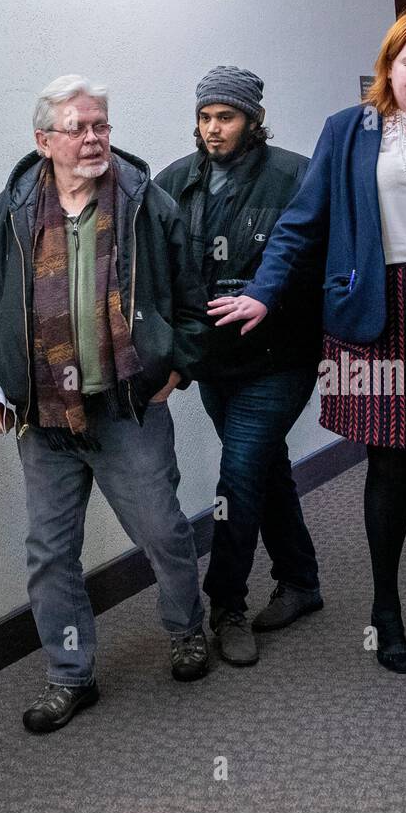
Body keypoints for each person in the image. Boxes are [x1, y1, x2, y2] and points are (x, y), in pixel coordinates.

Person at [209, 9, 406, 674]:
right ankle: (386, 611)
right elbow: (301, 225)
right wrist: (265, 291)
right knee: (388, 470)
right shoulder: (349, 131)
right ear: (389, 68)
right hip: (375, 317)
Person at [0, 75, 210, 733]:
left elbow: (192, 298)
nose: (95, 138)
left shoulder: (145, 205)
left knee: (161, 530)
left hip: (126, 408)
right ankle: (71, 675)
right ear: (45, 141)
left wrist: (179, 368)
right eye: (79, 127)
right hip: (42, 419)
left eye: (101, 124)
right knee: (49, 552)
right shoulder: (7, 214)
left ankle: (188, 629)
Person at [154, 66, 322, 668]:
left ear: (252, 119)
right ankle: (301, 580)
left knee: (239, 474)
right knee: (264, 469)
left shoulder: (295, 174)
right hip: (215, 362)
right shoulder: (176, 181)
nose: (213, 129)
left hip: (281, 358)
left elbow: (313, 257)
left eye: (225, 117)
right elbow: (163, 271)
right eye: (205, 117)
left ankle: (225, 603)